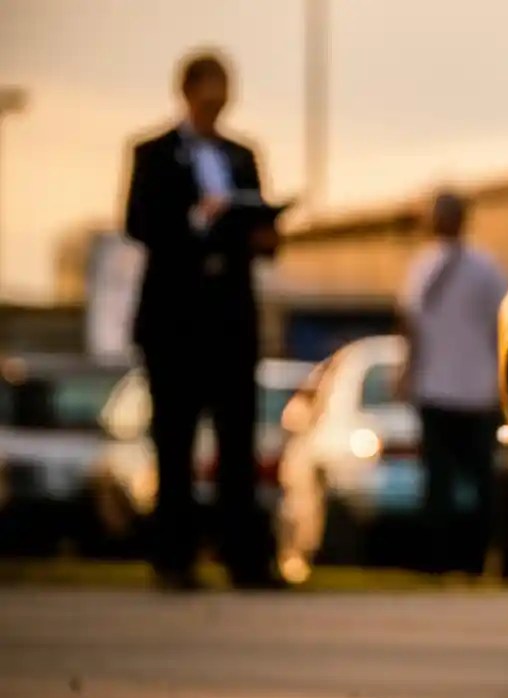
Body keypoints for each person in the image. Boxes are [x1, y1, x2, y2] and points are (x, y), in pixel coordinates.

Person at [123, 51, 284, 591]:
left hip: (231, 322)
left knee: (237, 444)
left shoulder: (242, 156)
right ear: (187, 91)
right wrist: (199, 218)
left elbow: (259, 234)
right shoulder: (153, 154)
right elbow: (139, 223)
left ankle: (244, 558)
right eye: (210, 91)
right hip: (174, 322)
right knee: (175, 442)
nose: (218, 102)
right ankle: (174, 557)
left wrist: (260, 232)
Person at [397, 191, 508, 574]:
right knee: (442, 483)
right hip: (440, 388)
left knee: (478, 483)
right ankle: (441, 559)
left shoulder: (484, 268)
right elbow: (412, 326)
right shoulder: (425, 266)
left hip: (474, 389)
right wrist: (409, 372)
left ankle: (478, 558)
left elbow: (502, 323)